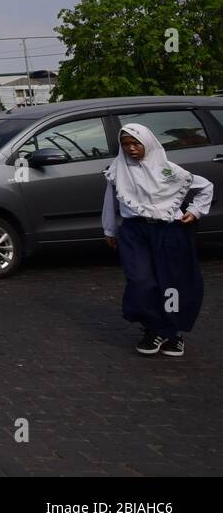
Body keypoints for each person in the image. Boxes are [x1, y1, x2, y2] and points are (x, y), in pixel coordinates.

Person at [103, 124, 213, 357]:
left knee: (171, 283)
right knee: (141, 280)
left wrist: (195, 210)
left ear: (148, 143)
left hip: (169, 231)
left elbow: (205, 187)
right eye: (126, 144)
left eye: (136, 143)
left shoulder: (169, 170)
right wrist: (110, 230)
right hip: (134, 232)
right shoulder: (118, 170)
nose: (131, 149)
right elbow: (110, 201)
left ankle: (173, 332)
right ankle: (153, 328)